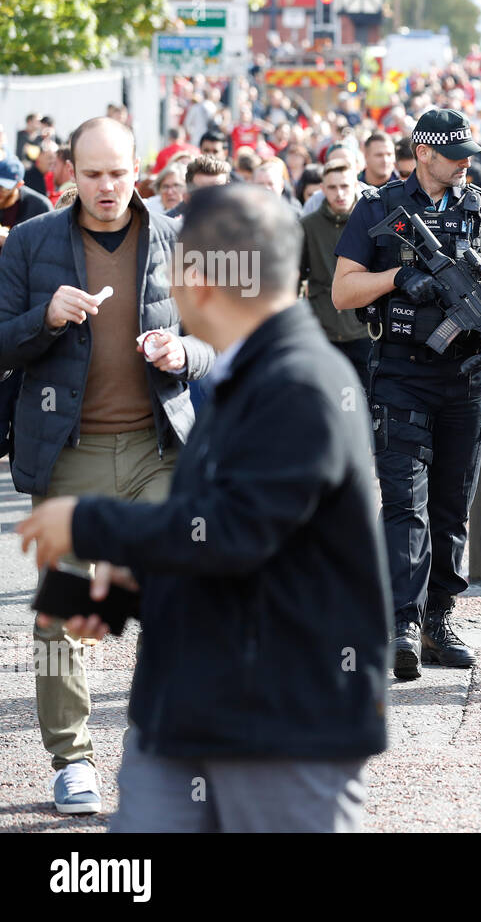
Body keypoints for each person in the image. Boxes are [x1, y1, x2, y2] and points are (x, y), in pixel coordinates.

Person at [18, 183, 390, 832]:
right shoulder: (253, 372)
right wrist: (124, 594)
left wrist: (85, 521)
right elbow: (232, 541)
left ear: (200, 280)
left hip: (279, 727)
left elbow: (232, 533)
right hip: (197, 710)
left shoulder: (299, 381)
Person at [0, 116, 213, 815]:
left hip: (161, 449)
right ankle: (72, 760)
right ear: (68, 174)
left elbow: (218, 340)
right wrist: (44, 318)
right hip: (69, 455)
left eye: (118, 172)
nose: (107, 187)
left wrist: (184, 353)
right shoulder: (30, 242)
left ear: (138, 169)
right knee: (66, 613)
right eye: (91, 174)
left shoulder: (181, 239)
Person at [332, 108, 481, 680]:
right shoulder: (379, 208)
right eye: (455, 156)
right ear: (423, 152)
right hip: (401, 375)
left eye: (469, 155)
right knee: (404, 504)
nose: (465, 165)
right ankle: (402, 622)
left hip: (465, 379)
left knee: (450, 506)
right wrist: (396, 278)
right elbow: (343, 291)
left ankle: (440, 620)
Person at [301, 160, 370, 382]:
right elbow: (296, 276)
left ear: (356, 185)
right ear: (322, 189)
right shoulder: (308, 226)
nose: (339, 193)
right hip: (323, 331)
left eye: (345, 186)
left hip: (364, 331)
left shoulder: (373, 221)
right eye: (332, 187)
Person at [0, 154, 53, 255]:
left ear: (19, 185)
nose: (0, 192)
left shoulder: (40, 207)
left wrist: (10, 241)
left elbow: (47, 248)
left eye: (4, 188)